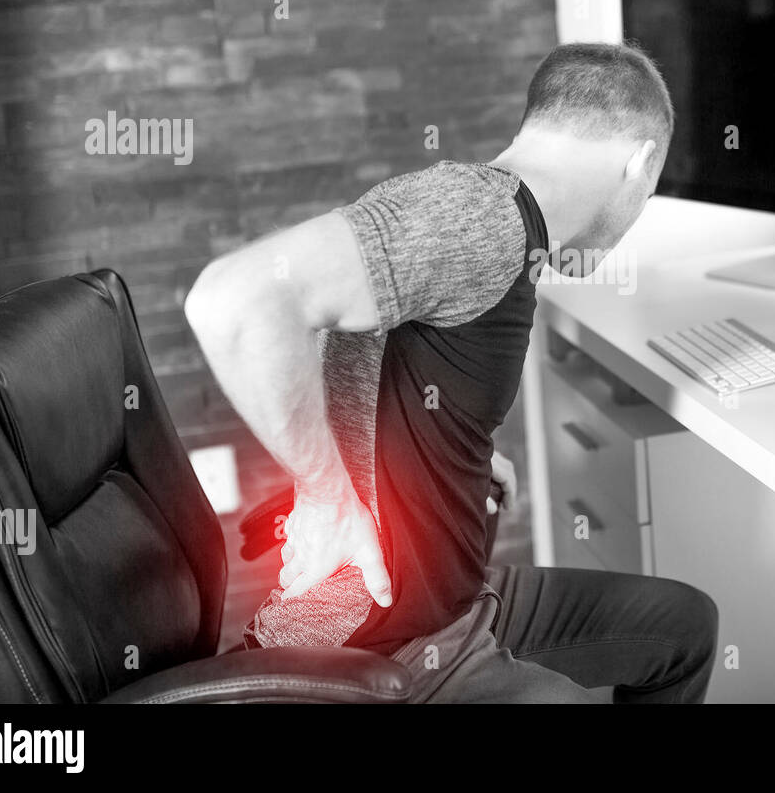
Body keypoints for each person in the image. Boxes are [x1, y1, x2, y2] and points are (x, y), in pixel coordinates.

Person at [184, 42, 718, 702]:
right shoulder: (479, 220)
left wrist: (457, 449)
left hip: (458, 609)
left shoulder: (494, 218)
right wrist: (325, 494)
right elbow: (232, 299)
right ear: (639, 164)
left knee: (682, 627)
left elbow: (383, 351)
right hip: (388, 649)